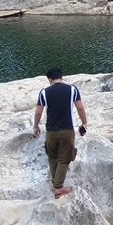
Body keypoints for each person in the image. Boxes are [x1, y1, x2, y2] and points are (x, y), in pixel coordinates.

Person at [32, 67, 88, 198]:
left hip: (51, 131)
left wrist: (35, 126)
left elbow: (38, 111)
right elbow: (79, 107)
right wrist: (84, 123)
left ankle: (55, 182)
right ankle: (58, 188)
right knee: (64, 159)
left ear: (50, 79)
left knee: (52, 157)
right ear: (61, 78)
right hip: (67, 130)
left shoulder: (44, 92)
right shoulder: (72, 90)